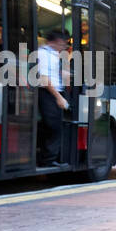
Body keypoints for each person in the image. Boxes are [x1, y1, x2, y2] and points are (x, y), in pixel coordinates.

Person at [37, 29, 70, 167]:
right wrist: (58, 97)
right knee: (53, 126)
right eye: (64, 44)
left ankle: (48, 158)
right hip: (48, 93)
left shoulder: (55, 54)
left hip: (56, 92)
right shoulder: (44, 54)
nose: (65, 47)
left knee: (53, 126)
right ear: (57, 41)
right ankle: (47, 160)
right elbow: (44, 79)